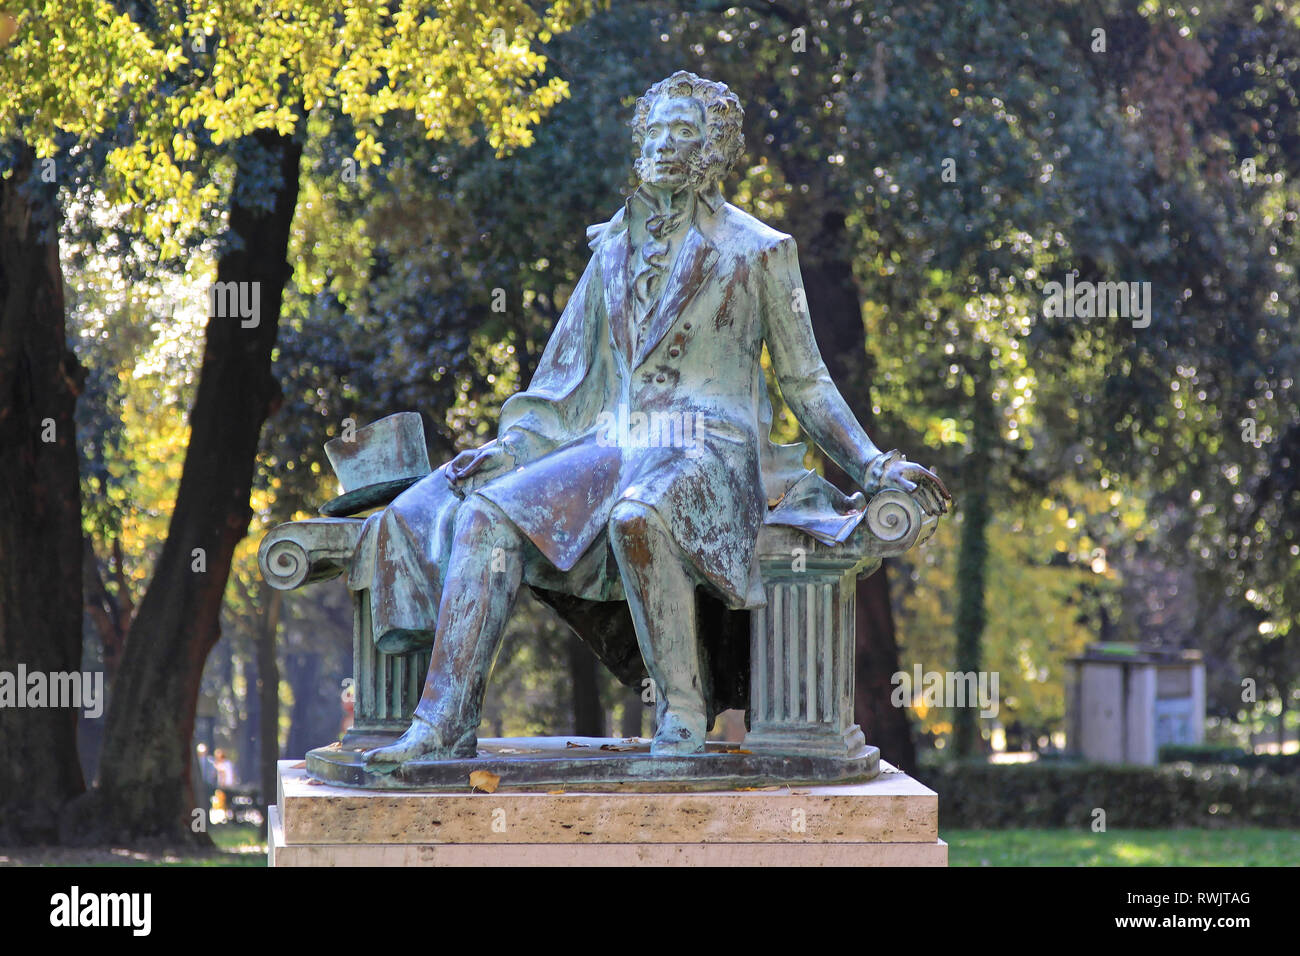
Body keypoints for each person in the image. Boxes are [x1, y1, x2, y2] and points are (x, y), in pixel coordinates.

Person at [357, 71, 949, 765]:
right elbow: (566, 380)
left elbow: (806, 379)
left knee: (642, 515)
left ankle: (682, 712)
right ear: (639, 143)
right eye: (657, 131)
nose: (667, 145)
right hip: (614, 444)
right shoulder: (609, 248)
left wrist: (874, 465)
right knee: (486, 514)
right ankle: (443, 722)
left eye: (686, 132)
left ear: (716, 149)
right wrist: (513, 449)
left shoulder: (758, 249)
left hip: (710, 448)